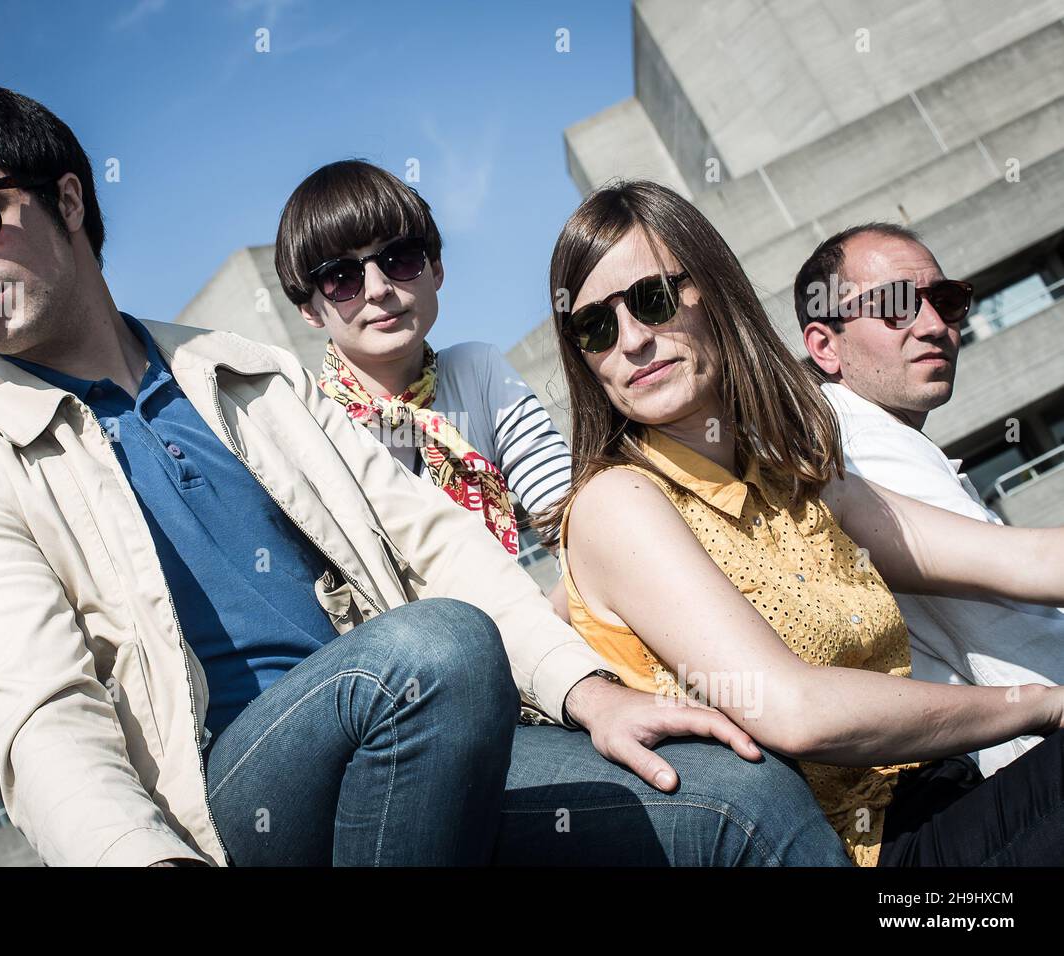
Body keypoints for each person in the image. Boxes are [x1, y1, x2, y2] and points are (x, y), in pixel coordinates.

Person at [0, 82, 850, 867]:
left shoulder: (247, 373)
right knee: (429, 650)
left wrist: (589, 690)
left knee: (745, 800)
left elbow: (432, 538)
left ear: (67, 198)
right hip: (235, 804)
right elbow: (42, 723)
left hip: (425, 738)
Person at [539, 179, 1064, 867]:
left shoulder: (792, 471)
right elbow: (794, 709)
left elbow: (1021, 559)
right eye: (596, 327)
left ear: (716, 293)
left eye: (652, 300)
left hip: (946, 801)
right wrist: (1043, 704)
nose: (633, 340)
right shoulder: (617, 503)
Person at [794, 222, 1064, 776]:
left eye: (946, 300)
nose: (933, 325)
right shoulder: (862, 445)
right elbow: (1017, 639)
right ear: (825, 345)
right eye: (894, 305)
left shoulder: (864, 434)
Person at [274, 159, 573, 621]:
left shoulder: (477, 370)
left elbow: (575, 524)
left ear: (436, 269)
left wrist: (549, 641)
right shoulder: (308, 431)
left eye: (400, 259)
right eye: (341, 277)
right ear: (308, 309)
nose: (377, 289)